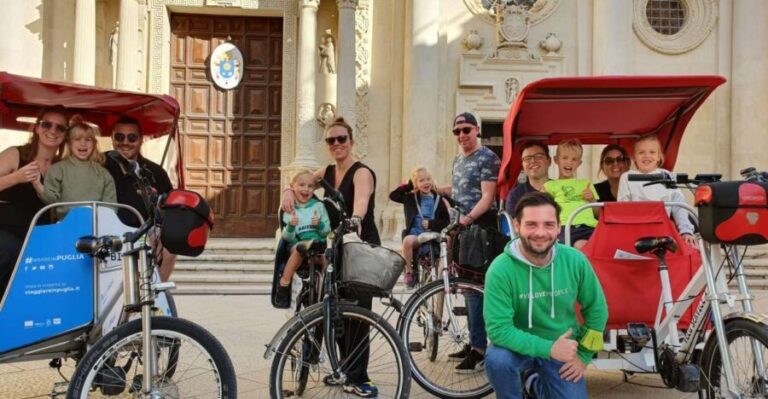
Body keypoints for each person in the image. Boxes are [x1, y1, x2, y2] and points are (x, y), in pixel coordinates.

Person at [281, 116, 380, 397]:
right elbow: (304, 180)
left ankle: (361, 378)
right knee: (337, 312)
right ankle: (345, 370)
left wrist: (355, 219)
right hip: (338, 248)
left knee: (357, 314)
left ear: (351, 141)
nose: (336, 144)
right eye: (330, 140)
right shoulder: (326, 171)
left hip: (361, 246)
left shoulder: (362, 172)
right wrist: (289, 189)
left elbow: (360, 202)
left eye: (341, 139)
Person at [484, 191, 608, 399]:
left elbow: (597, 310)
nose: (540, 232)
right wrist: (549, 348)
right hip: (517, 347)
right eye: (531, 224)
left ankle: (533, 384)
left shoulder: (575, 260)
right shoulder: (500, 269)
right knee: (497, 360)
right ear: (517, 225)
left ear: (558, 228)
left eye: (548, 225)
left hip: (562, 346)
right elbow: (498, 329)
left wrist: (583, 357)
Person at [440, 111, 501, 373]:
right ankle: (474, 342)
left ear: (477, 130)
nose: (462, 135)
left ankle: (479, 350)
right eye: (457, 132)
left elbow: (488, 196)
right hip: (462, 230)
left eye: (466, 130)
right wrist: (434, 189)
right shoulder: (458, 159)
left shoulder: (488, 157)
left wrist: (466, 220)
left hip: (480, 228)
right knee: (466, 288)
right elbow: (460, 189)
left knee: (476, 289)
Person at [0, 105, 68, 296]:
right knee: (12, 251)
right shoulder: (16, 154)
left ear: (65, 134)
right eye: (47, 124)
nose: (53, 131)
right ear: (37, 128)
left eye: (60, 128)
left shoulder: (62, 167)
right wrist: (17, 178)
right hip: (5, 230)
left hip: (40, 235)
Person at [103, 115, 177, 281]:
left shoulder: (155, 172)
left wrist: (160, 233)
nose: (125, 142)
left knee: (170, 245)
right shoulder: (99, 163)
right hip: (106, 229)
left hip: (143, 231)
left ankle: (156, 294)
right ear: (112, 138)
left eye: (132, 137)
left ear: (141, 139)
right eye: (119, 137)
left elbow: (167, 208)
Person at [617, 134, 696, 247]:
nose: (647, 156)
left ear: (659, 157)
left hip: (664, 231)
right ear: (634, 156)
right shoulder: (627, 177)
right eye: (641, 152)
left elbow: (679, 206)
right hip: (635, 230)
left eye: (652, 152)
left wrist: (686, 231)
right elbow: (623, 208)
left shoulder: (667, 176)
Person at [35, 116, 116, 219]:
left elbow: (110, 206)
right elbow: (52, 200)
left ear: (94, 144)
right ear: (69, 143)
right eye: (77, 139)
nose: (83, 143)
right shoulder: (58, 169)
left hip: (96, 225)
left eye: (88, 140)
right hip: (65, 224)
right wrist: (37, 184)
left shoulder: (103, 173)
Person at [274, 169, 331, 309]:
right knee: (300, 249)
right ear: (292, 186)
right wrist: (291, 227)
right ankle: (284, 283)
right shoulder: (289, 207)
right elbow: (287, 238)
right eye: (301, 185)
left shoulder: (319, 206)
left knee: (326, 259)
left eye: (310, 186)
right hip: (297, 244)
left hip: (316, 244)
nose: (306, 189)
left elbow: (326, 232)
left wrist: (319, 225)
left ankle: (324, 289)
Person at [389, 165, 450, 289]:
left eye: (428, 179)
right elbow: (393, 195)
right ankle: (409, 272)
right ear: (415, 183)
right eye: (421, 180)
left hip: (434, 232)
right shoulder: (410, 198)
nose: (426, 182)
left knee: (448, 239)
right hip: (416, 233)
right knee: (407, 241)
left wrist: (432, 223)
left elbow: (446, 220)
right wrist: (410, 185)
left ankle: (445, 269)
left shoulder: (438, 199)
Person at [542, 139, 599, 249]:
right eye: (565, 158)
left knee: (596, 245)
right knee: (577, 247)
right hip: (564, 228)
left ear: (579, 163)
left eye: (574, 159)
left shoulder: (586, 183)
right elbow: (541, 208)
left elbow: (597, 213)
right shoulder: (549, 186)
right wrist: (545, 199)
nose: (569, 162)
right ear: (556, 160)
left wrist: (591, 199)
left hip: (589, 227)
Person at [505, 141, 551, 215]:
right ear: (522, 166)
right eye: (527, 158)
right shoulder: (515, 195)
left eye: (538, 156)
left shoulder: (562, 188)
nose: (533, 161)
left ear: (549, 161)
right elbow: (513, 225)